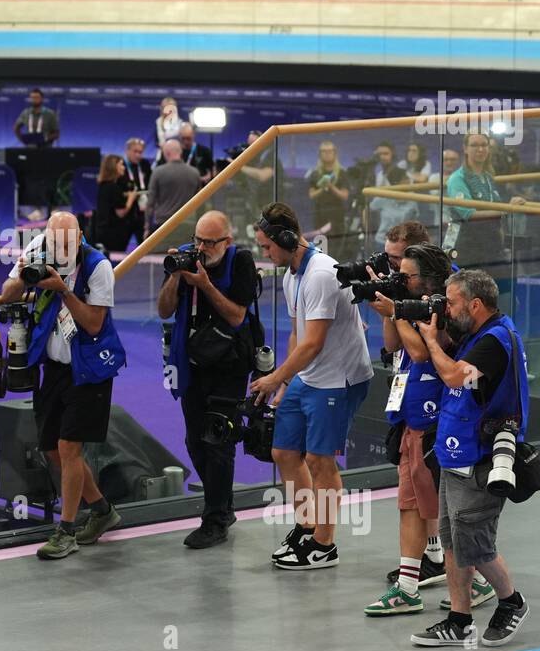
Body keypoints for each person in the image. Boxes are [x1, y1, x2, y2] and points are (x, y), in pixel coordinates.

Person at [361, 242, 497, 615]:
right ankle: (407, 586)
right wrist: (390, 311)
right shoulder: (409, 308)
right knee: (410, 506)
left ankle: (482, 582)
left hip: (437, 426)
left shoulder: (444, 311)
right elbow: (394, 346)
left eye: (407, 276)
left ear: (429, 278)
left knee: (446, 513)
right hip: (410, 419)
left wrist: (397, 311)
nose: (400, 280)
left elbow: (424, 352)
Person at [249, 202, 372, 570]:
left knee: (320, 459)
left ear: (287, 239)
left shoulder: (321, 273)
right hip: (309, 375)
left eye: (267, 247)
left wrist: (275, 377)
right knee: (284, 452)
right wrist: (286, 382)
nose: (264, 254)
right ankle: (307, 524)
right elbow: (297, 334)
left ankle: (324, 543)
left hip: (339, 378)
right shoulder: (291, 275)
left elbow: (313, 342)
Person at [411, 269, 531, 647]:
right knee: (452, 541)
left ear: (475, 304)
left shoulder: (496, 340)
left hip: (480, 458)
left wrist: (431, 340)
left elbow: (454, 378)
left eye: (452, 302)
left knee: (476, 545)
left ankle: (512, 601)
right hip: (455, 452)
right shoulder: (476, 333)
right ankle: (459, 619)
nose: (446, 308)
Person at [0, 211, 125, 559]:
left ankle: (66, 531)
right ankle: (102, 511)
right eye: (58, 242)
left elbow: (94, 324)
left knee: (70, 449)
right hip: (54, 367)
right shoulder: (40, 248)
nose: (63, 247)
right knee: (52, 450)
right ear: (47, 238)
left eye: (70, 242)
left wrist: (62, 290)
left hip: (89, 371)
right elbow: (6, 293)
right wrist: (24, 273)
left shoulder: (98, 266)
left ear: (81, 236)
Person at [158, 210, 261, 548]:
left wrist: (205, 285)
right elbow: (163, 310)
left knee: (218, 439)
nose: (202, 248)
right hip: (193, 363)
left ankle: (215, 519)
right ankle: (223, 505)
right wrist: (176, 275)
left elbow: (236, 316)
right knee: (194, 442)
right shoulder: (186, 258)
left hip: (230, 365)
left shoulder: (241, 262)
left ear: (227, 241)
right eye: (198, 240)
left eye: (209, 242)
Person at [443, 133, 526, 271]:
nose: (480, 149)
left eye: (483, 145)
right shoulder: (457, 178)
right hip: (466, 246)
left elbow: (496, 207)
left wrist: (510, 204)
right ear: (465, 148)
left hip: (489, 246)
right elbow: (468, 214)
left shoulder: (487, 177)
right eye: (474, 145)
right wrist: (507, 209)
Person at [146, 139, 201, 248]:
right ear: (180, 152)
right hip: (188, 225)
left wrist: (147, 226)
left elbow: (150, 203)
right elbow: (200, 202)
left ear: (166, 153)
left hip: (164, 225)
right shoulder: (195, 173)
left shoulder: (158, 172)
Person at [305, 140, 351, 260]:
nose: (327, 154)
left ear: (335, 153)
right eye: (324, 152)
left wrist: (332, 187)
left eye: (329, 151)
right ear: (320, 154)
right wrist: (323, 187)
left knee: (335, 248)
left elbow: (344, 195)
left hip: (336, 216)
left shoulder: (342, 173)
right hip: (320, 215)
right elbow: (312, 194)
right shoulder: (315, 173)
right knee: (320, 248)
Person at [367, 141, 415, 245]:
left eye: (386, 153)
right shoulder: (379, 175)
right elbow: (372, 206)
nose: (382, 157)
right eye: (379, 154)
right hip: (383, 227)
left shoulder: (403, 174)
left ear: (392, 154)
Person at [94, 153, 136, 252]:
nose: (123, 168)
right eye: (121, 165)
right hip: (112, 234)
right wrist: (131, 198)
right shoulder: (114, 188)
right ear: (114, 167)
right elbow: (121, 212)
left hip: (103, 230)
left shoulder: (103, 186)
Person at [120, 137, 152, 244]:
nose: (138, 155)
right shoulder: (120, 166)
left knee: (143, 245)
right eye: (135, 151)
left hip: (142, 213)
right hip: (126, 213)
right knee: (120, 246)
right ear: (127, 151)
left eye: (141, 152)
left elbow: (150, 183)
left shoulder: (145, 164)